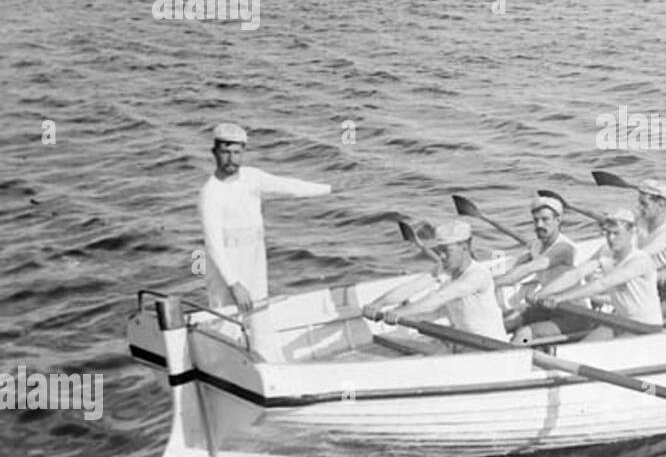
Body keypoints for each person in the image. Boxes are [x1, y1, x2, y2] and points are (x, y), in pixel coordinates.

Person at [199, 122, 332, 313]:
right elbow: (214, 246)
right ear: (214, 153)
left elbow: (289, 187)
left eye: (237, 153)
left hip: (254, 263)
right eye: (225, 152)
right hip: (226, 271)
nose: (231, 159)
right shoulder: (210, 193)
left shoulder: (252, 177)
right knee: (227, 322)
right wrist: (234, 284)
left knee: (259, 316)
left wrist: (330, 189)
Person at [363, 219, 508, 343]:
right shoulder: (444, 270)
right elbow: (412, 287)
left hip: (492, 346)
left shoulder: (477, 275)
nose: (442, 256)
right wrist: (378, 303)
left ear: (464, 247)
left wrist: (400, 312)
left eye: (447, 251)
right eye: (439, 250)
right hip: (463, 342)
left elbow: (440, 297)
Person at [540, 207, 663, 340]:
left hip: (646, 328)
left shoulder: (640, 260)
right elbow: (575, 274)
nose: (611, 238)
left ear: (631, 232)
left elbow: (602, 284)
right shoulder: (605, 252)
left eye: (616, 234)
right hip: (621, 322)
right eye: (607, 233)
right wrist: (542, 293)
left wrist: (560, 298)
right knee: (583, 347)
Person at [498, 194, 580, 337]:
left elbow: (530, 268)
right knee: (504, 324)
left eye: (545, 219)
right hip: (547, 308)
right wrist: (485, 276)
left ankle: (520, 349)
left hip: (575, 314)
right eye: (536, 220)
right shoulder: (537, 245)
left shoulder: (564, 248)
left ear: (558, 220)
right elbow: (514, 265)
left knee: (524, 334)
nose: (539, 225)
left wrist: (492, 283)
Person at [636, 179, 666, 268]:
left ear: (660, 204)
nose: (639, 207)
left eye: (644, 204)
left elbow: (639, 258)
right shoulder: (640, 221)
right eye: (639, 203)